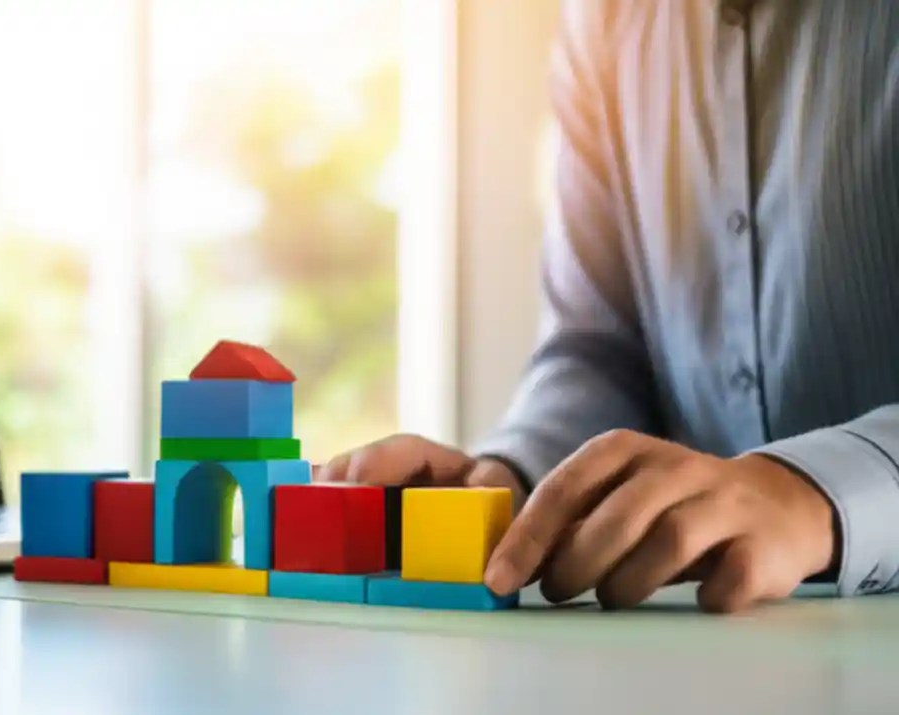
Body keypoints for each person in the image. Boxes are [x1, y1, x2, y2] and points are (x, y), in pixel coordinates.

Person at [321, 0, 899, 613]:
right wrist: (513, 483)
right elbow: (598, 347)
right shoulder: (603, 18)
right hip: (703, 649)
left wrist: (816, 494)